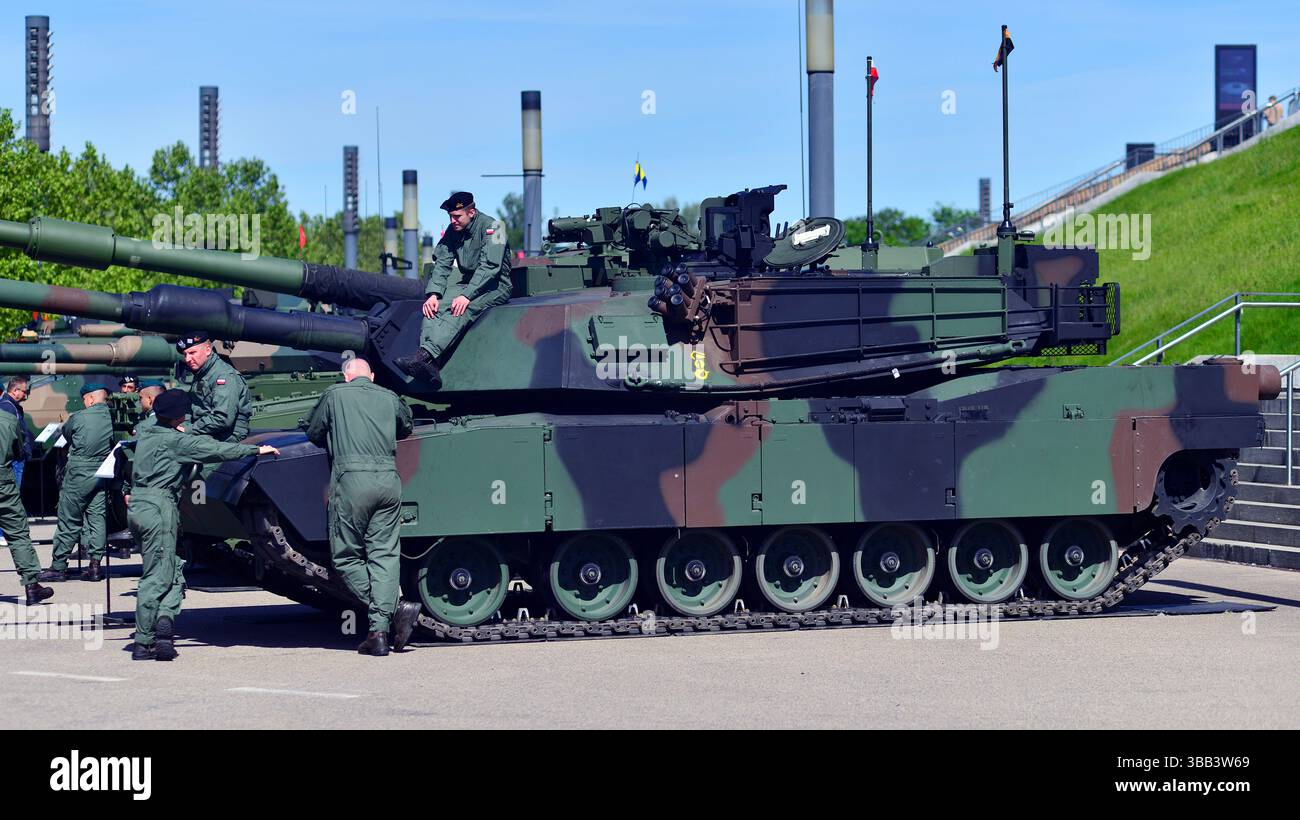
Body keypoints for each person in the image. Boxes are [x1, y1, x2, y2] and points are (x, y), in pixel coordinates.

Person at [127, 389, 279, 661]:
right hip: (159, 506)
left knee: (169, 566)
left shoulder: (147, 433)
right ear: (178, 417)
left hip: (138, 505)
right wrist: (256, 448)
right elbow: (216, 450)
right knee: (157, 575)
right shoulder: (176, 442)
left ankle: (163, 624)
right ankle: (144, 640)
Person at [301, 357, 420, 655]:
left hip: (352, 481)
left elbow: (313, 431)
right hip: (389, 481)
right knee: (384, 554)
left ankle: (394, 610)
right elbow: (405, 428)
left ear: (345, 376)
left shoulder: (335, 394)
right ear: (373, 376)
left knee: (346, 557)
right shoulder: (389, 396)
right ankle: (378, 633)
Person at [394, 192, 513, 388]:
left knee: (460, 309)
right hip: (468, 282)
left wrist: (466, 296)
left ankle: (426, 356)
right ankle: (425, 359)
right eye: (450, 216)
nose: (452, 220)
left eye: (457, 216)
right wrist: (433, 295)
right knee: (433, 307)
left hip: (496, 285)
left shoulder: (495, 227)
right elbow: (442, 263)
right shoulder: (453, 230)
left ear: (471, 212)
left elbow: (490, 267)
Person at [38, 383, 113, 583]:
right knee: (97, 517)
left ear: (89, 398)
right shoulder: (112, 416)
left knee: (69, 518)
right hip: (102, 471)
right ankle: (95, 566)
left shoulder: (79, 417)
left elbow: (67, 434)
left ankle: (58, 566)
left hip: (80, 471)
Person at [0, 399, 52, 606]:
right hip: (4, 482)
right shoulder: (10, 419)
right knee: (18, 534)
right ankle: (31, 586)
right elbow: (19, 450)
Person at [175, 332, 250, 443]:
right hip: (208, 430)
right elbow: (194, 407)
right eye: (185, 354)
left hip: (227, 436)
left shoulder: (223, 376)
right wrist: (182, 425)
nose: (187, 359)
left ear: (208, 350)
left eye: (192, 353)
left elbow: (222, 419)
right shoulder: (203, 372)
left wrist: (188, 429)